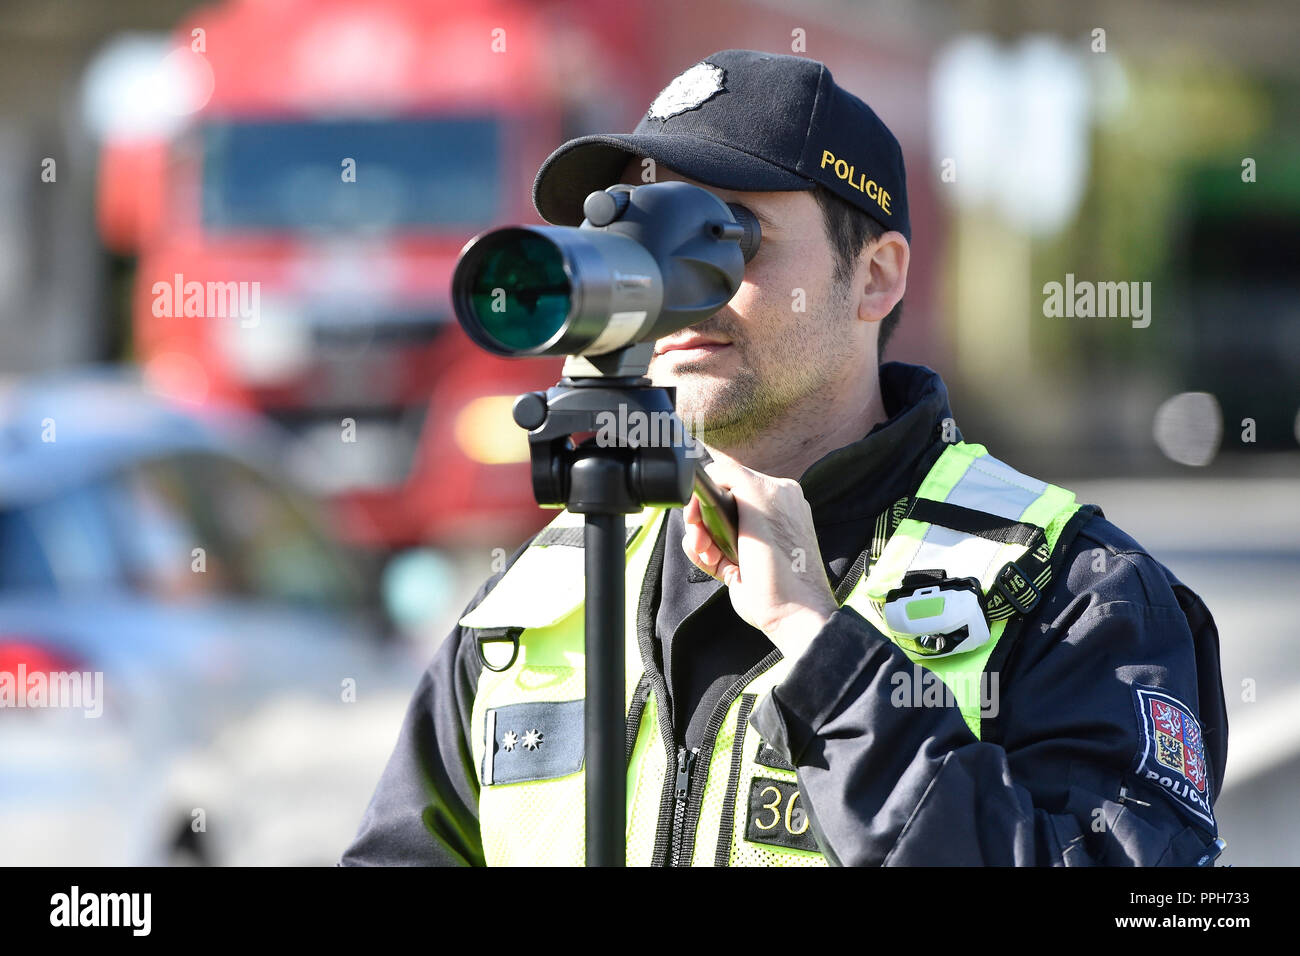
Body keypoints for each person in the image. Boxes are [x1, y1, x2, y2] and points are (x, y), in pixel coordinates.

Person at [340, 49, 1228, 867]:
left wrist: (823, 649)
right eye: (632, 233)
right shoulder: (537, 601)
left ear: (875, 276)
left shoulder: (1071, 592)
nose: (666, 287)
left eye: (720, 235)